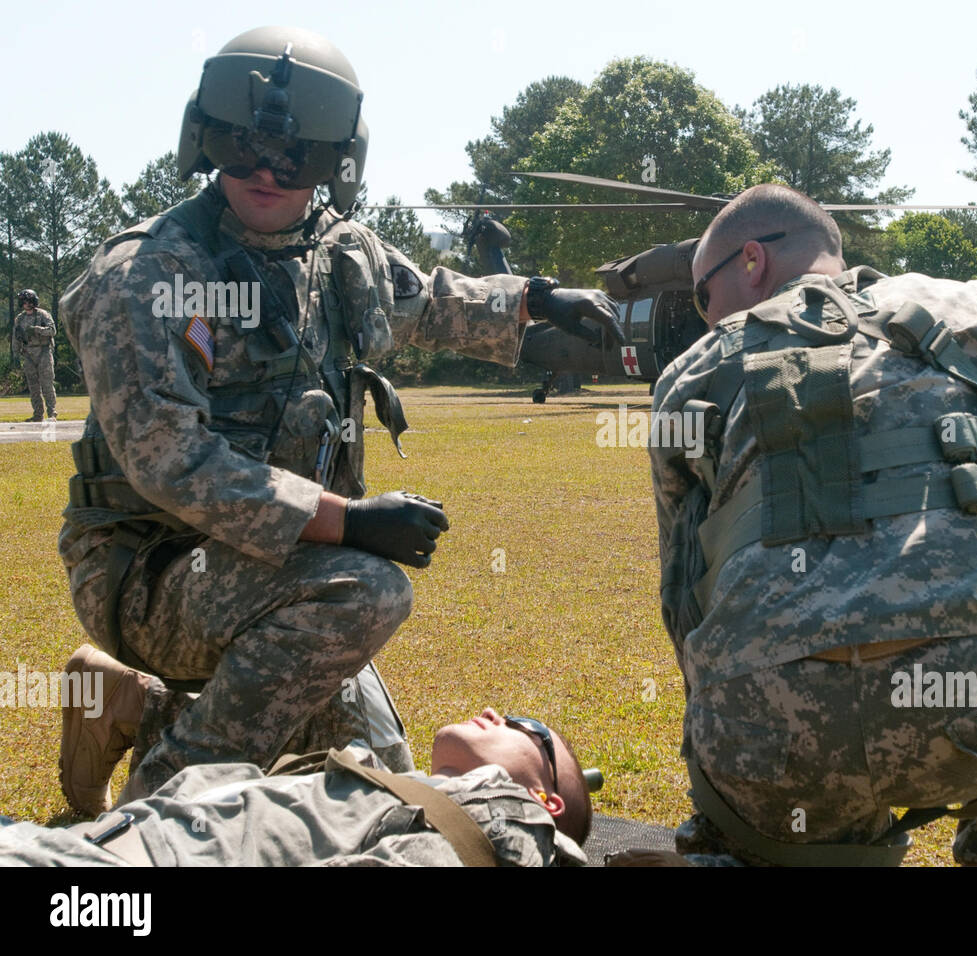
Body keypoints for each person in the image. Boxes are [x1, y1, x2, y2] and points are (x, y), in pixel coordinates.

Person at [57, 25, 624, 812]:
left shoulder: (339, 251)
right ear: (205, 139)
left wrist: (535, 296)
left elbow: (428, 299)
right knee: (365, 592)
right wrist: (348, 523)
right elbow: (169, 459)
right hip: (151, 568)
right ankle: (158, 810)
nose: (265, 171)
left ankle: (143, 711)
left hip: (273, 572)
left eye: (298, 158)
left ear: (338, 164)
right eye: (241, 146)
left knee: (372, 778)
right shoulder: (153, 272)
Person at [650, 184, 977, 866]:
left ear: (750, 261)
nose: (704, 316)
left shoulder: (688, 378)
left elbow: (682, 597)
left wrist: (734, 728)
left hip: (772, 742)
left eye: (702, 295)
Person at [8, 706, 594, 866]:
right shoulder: (374, 782)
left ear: (547, 799)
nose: (496, 712)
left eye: (529, 729)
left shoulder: (506, 818)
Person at [11, 289, 57, 421]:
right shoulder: (20, 319)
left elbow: (52, 331)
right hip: (28, 354)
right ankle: (37, 414)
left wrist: (37, 329)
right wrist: (15, 355)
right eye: (24, 302)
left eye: (29, 301)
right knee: (33, 386)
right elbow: (16, 337)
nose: (27, 304)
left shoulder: (43, 315)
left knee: (47, 384)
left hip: (43, 352)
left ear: (34, 301)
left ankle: (52, 413)